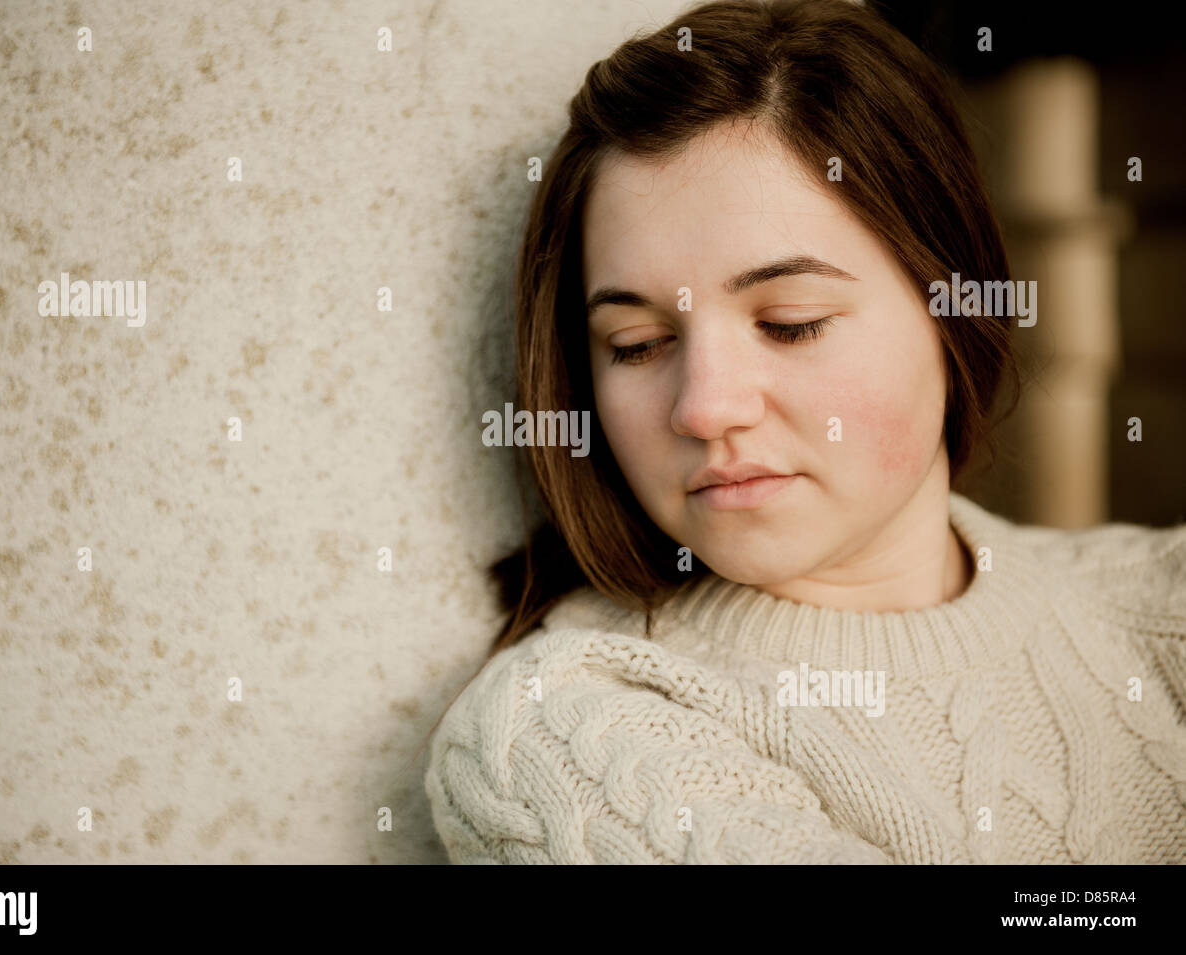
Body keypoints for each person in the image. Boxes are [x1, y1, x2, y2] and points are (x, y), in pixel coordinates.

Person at [423, 0, 1186, 864]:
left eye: (789, 322)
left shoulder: (1163, 598)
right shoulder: (564, 735)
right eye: (636, 346)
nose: (704, 409)